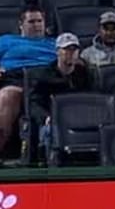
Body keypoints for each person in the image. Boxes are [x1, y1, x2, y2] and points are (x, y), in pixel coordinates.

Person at [0, 7, 57, 166]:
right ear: (21, 24)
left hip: (47, 79)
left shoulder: (54, 43)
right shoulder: (6, 41)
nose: (37, 25)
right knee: (8, 96)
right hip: (16, 78)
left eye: (40, 21)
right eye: (31, 21)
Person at [29, 34, 94, 163]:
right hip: (53, 120)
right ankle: (52, 164)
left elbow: (93, 98)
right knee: (49, 131)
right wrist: (45, 117)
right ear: (57, 51)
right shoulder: (44, 76)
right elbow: (34, 103)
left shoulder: (86, 74)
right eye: (66, 50)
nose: (71, 53)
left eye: (74, 50)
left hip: (80, 117)